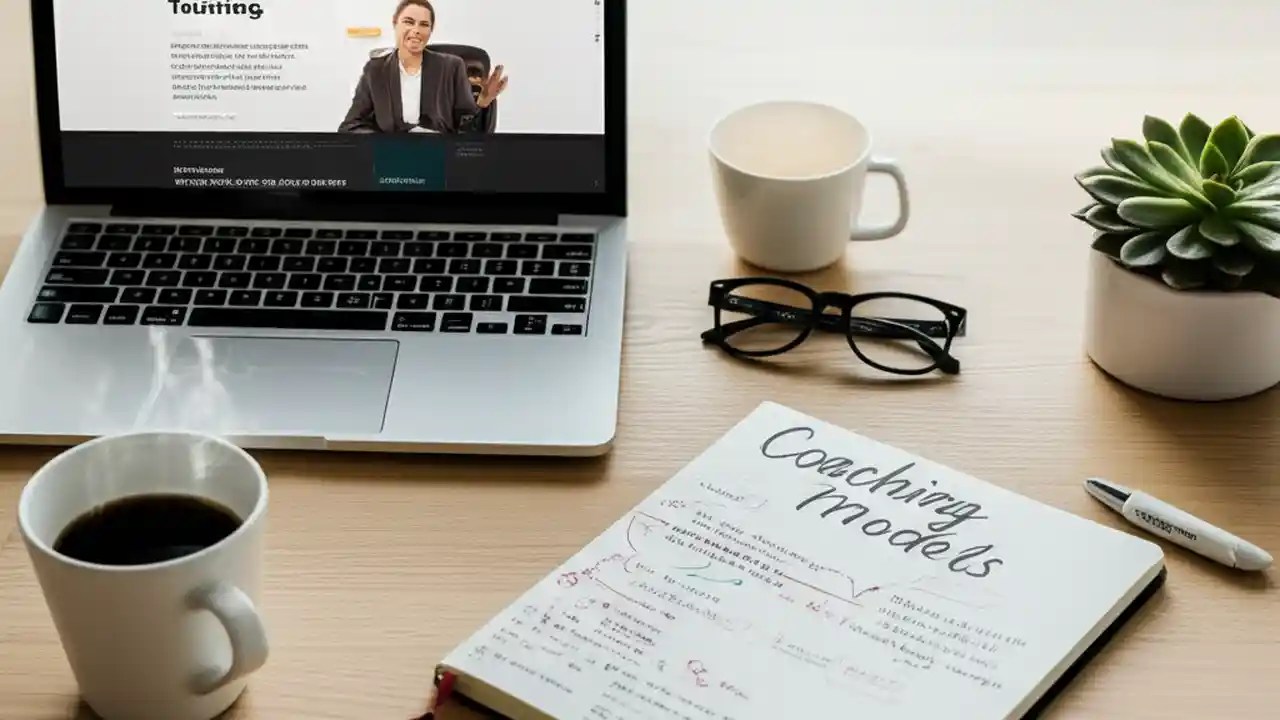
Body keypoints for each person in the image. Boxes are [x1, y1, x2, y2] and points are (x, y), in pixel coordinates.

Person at [339, 0, 509, 134]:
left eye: (424, 25)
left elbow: (467, 132)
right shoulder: (375, 70)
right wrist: (388, 143)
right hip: (393, 160)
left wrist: (482, 103)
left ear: (430, 30)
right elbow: (351, 126)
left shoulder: (452, 67)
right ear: (395, 24)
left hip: (439, 158)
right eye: (409, 22)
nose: (416, 30)